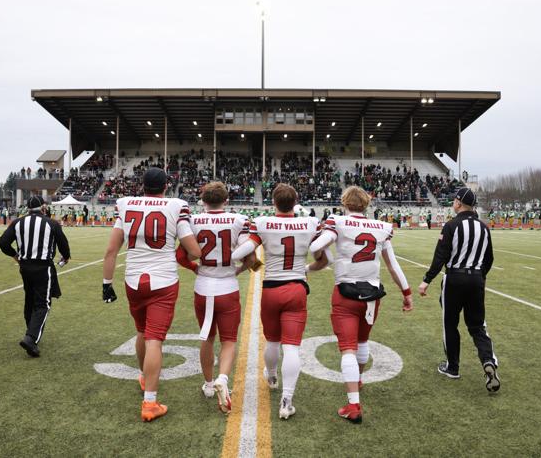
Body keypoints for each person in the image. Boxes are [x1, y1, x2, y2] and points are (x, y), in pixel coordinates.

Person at [101, 168, 202, 422]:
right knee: (155, 339)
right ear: (166, 186)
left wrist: (106, 283)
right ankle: (150, 403)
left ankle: (145, 378)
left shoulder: (125, 204)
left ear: (142, 185)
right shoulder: (176, 206)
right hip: (163, 281)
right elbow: (194, 250)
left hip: (133, 280)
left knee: (141, 332)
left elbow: (111, 250)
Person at [309, 186, 412, 424]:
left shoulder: (338, 222)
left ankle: (353, 405)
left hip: (346, 292)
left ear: (345, 203)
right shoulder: (381, 227)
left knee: (347, 348)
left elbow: (315, 247)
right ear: (366, 204)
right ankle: (359, 379)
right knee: (363, 341)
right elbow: (393, 265)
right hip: (372, 294)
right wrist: (406, 292)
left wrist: (331, 259)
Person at [231, 183, 326, 420]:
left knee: (272, 340)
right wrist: (306, 268)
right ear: (295, 202)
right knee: (292, 345)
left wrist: (254, 266)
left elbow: (239, 254)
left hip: (272, 287)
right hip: (296, 287)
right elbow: (326, 260)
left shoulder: (262, 223)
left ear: (273, 202)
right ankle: (287, 401)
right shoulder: (311, 223)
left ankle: (272, 377)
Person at [175, 182, 257, 414]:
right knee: (229, 340)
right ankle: (223, 377)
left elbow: (180, 256)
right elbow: (250, 258)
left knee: (207, 338)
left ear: (202, 200)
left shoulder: (192, 221)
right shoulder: (239, 220)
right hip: (228, 287)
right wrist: (238, 271)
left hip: (203, 287)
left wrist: (195, 269)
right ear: (226, 199)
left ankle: (209, 385)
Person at [417, 187, 500, 392]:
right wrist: (481, 277)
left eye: (454, 200)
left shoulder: (451, 225)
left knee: (450, 324)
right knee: (478, 326)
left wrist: (427, 280)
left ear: (458, 203)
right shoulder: (484, 227)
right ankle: (488, 361)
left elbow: (441, 256)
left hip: (454, 278)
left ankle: (453, 367)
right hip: (476, 280)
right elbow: (489, 259)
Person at [0, 196, 70, 358]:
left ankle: (31, 330)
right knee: (43, 303)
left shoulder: (18, 222)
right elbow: (63, 243)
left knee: (29, 299)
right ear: (43, 207)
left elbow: (3, 242)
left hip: (25, 266)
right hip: (43, 267)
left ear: (28, 208)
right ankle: (31, 338)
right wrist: (66, 256)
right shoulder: (51, 223)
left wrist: (15, 255)